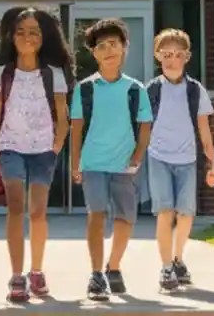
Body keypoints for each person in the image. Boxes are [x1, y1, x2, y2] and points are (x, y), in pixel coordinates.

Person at [0, 5, 72, 303]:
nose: (27, 37)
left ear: (43, 37)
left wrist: (58, 144)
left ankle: (36, 271)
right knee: (15, 209)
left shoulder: (54, 74)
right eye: (20, 32)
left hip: (43, 151)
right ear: (11, 37)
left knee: (37, 212)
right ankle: (16, 275)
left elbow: (62, 115)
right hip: (10, 148)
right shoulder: (2, 74)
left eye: (34, 32)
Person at [68, 18, 153, 301]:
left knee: (126, 218)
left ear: (125, 48)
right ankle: (95, 275)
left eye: (113, 44)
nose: (108, 51)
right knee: (96, 215)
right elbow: (77, 127)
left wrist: (137, 157)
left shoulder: (135, 90)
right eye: (101, 46)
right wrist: (75, 163)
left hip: (124, 166)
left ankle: (113, 267)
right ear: (94, 53)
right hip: (93, 164)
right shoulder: (85, 89)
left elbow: (144, 126)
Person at [145, 28, 214, 291]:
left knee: (185, 213)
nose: (171, 60)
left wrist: (212, 164)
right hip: (159, 157)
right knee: (165, 213)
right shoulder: (151, 90)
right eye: (166, 55)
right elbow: (141, 127)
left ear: (187, 57)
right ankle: (166, 267)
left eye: (177, 55)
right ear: (157, 56)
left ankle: (178, 259)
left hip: (187, 159)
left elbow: (204, 130)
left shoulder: (195, 91)